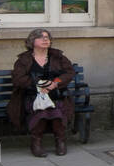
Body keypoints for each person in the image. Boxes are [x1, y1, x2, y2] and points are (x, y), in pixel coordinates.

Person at [8, 29, 76, 157]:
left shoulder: (58, 57)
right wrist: (39, 85)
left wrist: (55, 83)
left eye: (47, 37)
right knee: (42, 111)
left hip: (56, 94)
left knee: (56, 109)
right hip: (32, 95)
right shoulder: (24, 60)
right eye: (41, 37)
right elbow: (18, 78)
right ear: (32, 41)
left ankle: (60, 141)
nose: (45, 39)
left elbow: (69, 73)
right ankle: (36, 143)